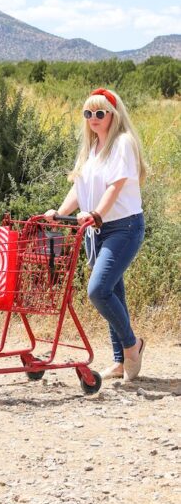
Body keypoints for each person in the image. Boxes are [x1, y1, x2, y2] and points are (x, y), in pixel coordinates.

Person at [45, 88, 147, 382]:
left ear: (113, 116)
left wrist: (97, 215)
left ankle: (132, 346)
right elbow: (79, 188)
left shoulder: (122, 143)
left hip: (123, 227)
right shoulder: (92, 148)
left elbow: (116, 186)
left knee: (98, 290)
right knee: (114, 292)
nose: (93, 118)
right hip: (97, 230)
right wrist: (58, 213)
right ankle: (118, 361)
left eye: (99, 113)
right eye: (88, 113)